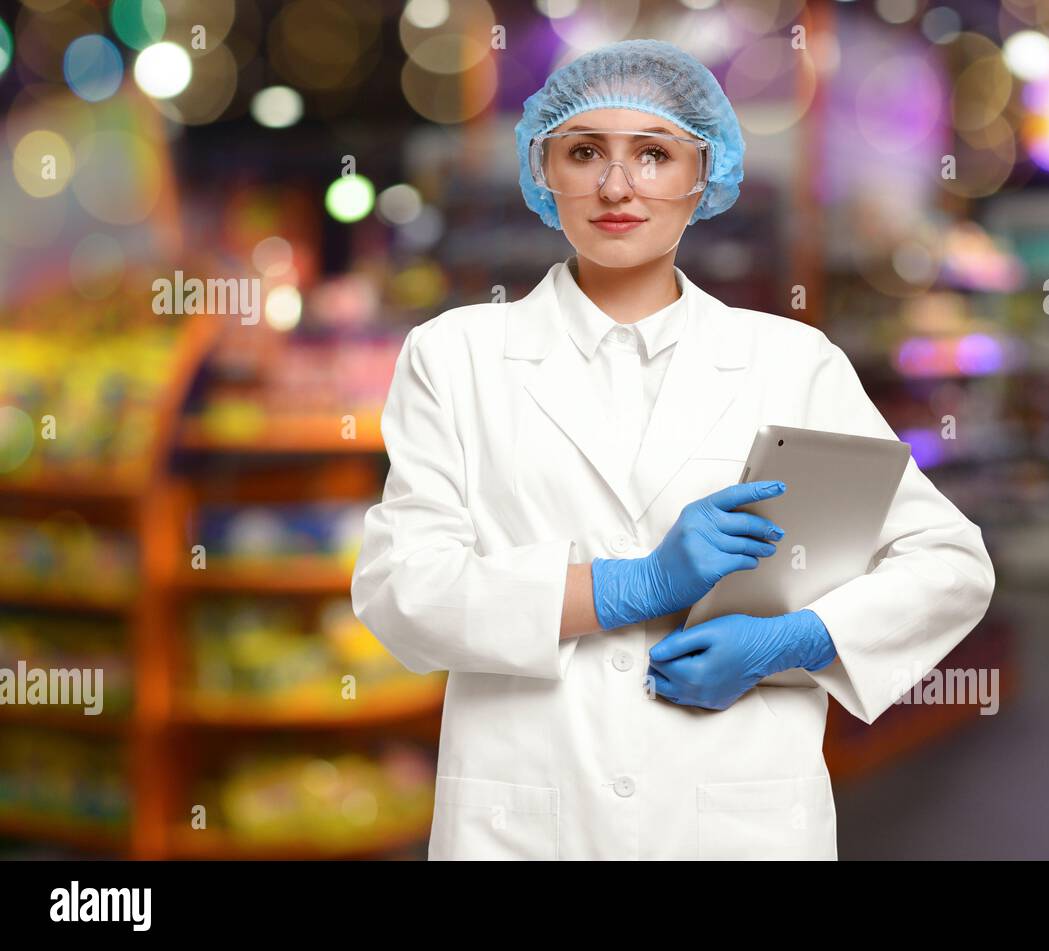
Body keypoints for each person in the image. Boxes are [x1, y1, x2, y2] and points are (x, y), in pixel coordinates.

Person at [351, 38, 995, 860]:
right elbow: (402, 590)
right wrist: (636, 584)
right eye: (584, 152)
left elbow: (949, 562)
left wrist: (796, 639)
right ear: (544, 169)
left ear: (704, 173)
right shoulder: (455, 355)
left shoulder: (791, 362)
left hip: (733, 816)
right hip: (526, 822)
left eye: (653, 153)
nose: (617, 186)